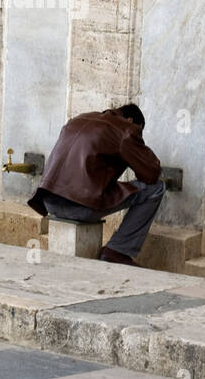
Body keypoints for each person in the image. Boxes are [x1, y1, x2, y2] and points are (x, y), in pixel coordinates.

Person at [28, 105, 166, 266]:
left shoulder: (76, 120)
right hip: (80, 207)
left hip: (49, 202)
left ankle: (117, 249)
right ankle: (118, 250)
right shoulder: (125, 129)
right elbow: (151, 174)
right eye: (139, 131)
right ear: (130, 121)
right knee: (156, 188)